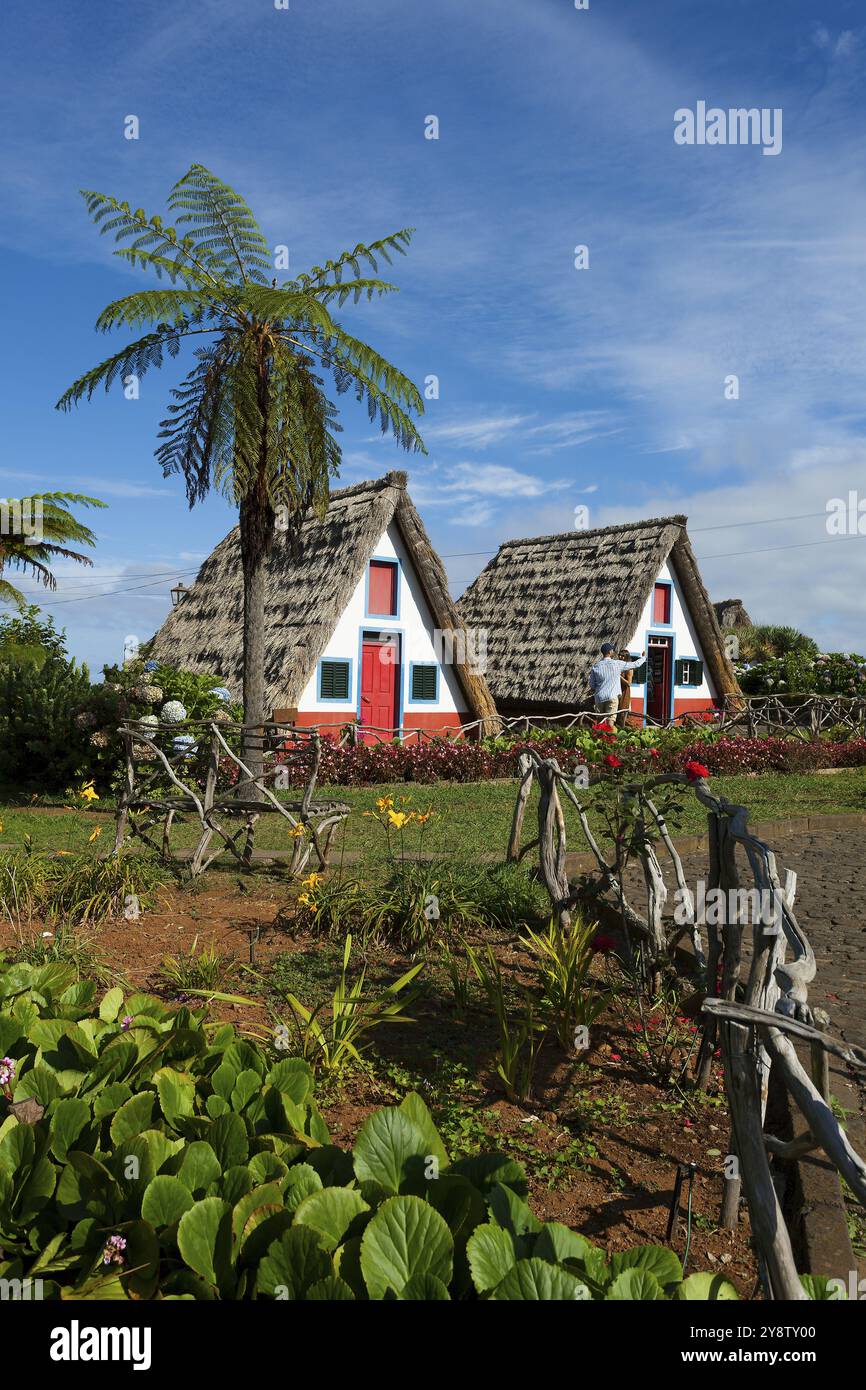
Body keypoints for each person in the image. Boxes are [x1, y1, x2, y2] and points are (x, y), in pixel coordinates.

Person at [589, 642, 644, 724]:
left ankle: (599, 736)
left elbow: (592, 685)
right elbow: (635, 664)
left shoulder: (596, 666)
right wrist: (643, 657)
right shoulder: (617, 664)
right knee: (610, 722)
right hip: (612, 696)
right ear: (610, 652)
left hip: (599, 697)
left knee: (600, 723)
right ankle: (610, 736)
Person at [617, 647, 636, 727]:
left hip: (624, 691)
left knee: (622, 713)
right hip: (617, 690)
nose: (620, 657)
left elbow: (629, 683)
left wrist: (619, 676)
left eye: (623, 656)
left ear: (626, 657)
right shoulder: (618, 666)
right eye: (620, 655)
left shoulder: (629, 669)